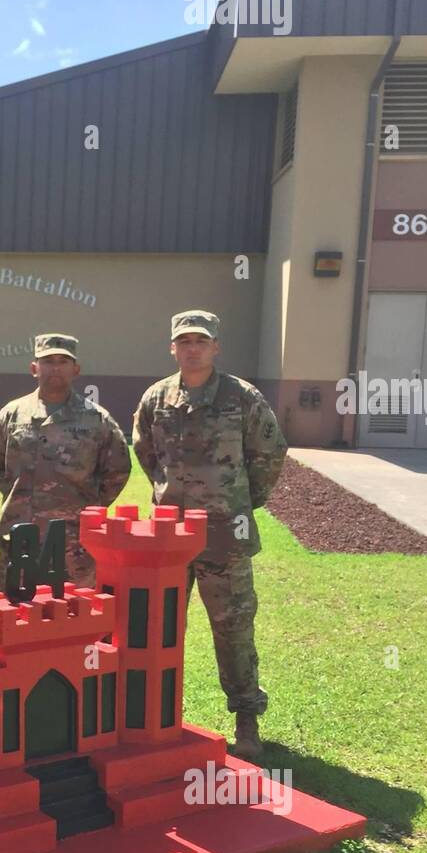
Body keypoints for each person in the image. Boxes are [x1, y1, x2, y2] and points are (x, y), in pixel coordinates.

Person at [132, 309, 287, 757]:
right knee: (160, 629)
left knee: (233, 627)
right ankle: (158, 717)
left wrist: (239, 499)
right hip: (168, 540)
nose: (192, 348)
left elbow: (269, 453)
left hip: (226, 536)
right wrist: (169, 494)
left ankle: (246, 720)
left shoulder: (243, 397)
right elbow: (145, 451)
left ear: (216, 346)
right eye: (184, 341)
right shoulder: (156, 398)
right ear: (173, 348)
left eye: (201, 341)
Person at [0, 333, 131, 590]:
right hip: (20, 536)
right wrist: (19, 496)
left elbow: (117, 470)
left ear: (76, 369)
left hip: (74, 542)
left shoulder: (96, 419)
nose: (55, 367)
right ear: (34, 368)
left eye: (63, 361)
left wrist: (87, 505)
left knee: (76, 617)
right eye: (48, 360)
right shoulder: (13, 414)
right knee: (16, 616)